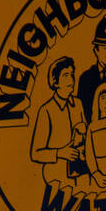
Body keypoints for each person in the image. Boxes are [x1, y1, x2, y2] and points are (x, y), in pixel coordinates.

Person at [29, 56, 87, 186]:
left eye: (72, 74)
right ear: (55, 82)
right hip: (55, 177)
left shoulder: (78, 104)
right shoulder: (46, 110)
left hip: (79, 174)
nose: (71, 79)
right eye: (65, 75)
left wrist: (85, 131)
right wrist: (60, 153)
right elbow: (35, 153)